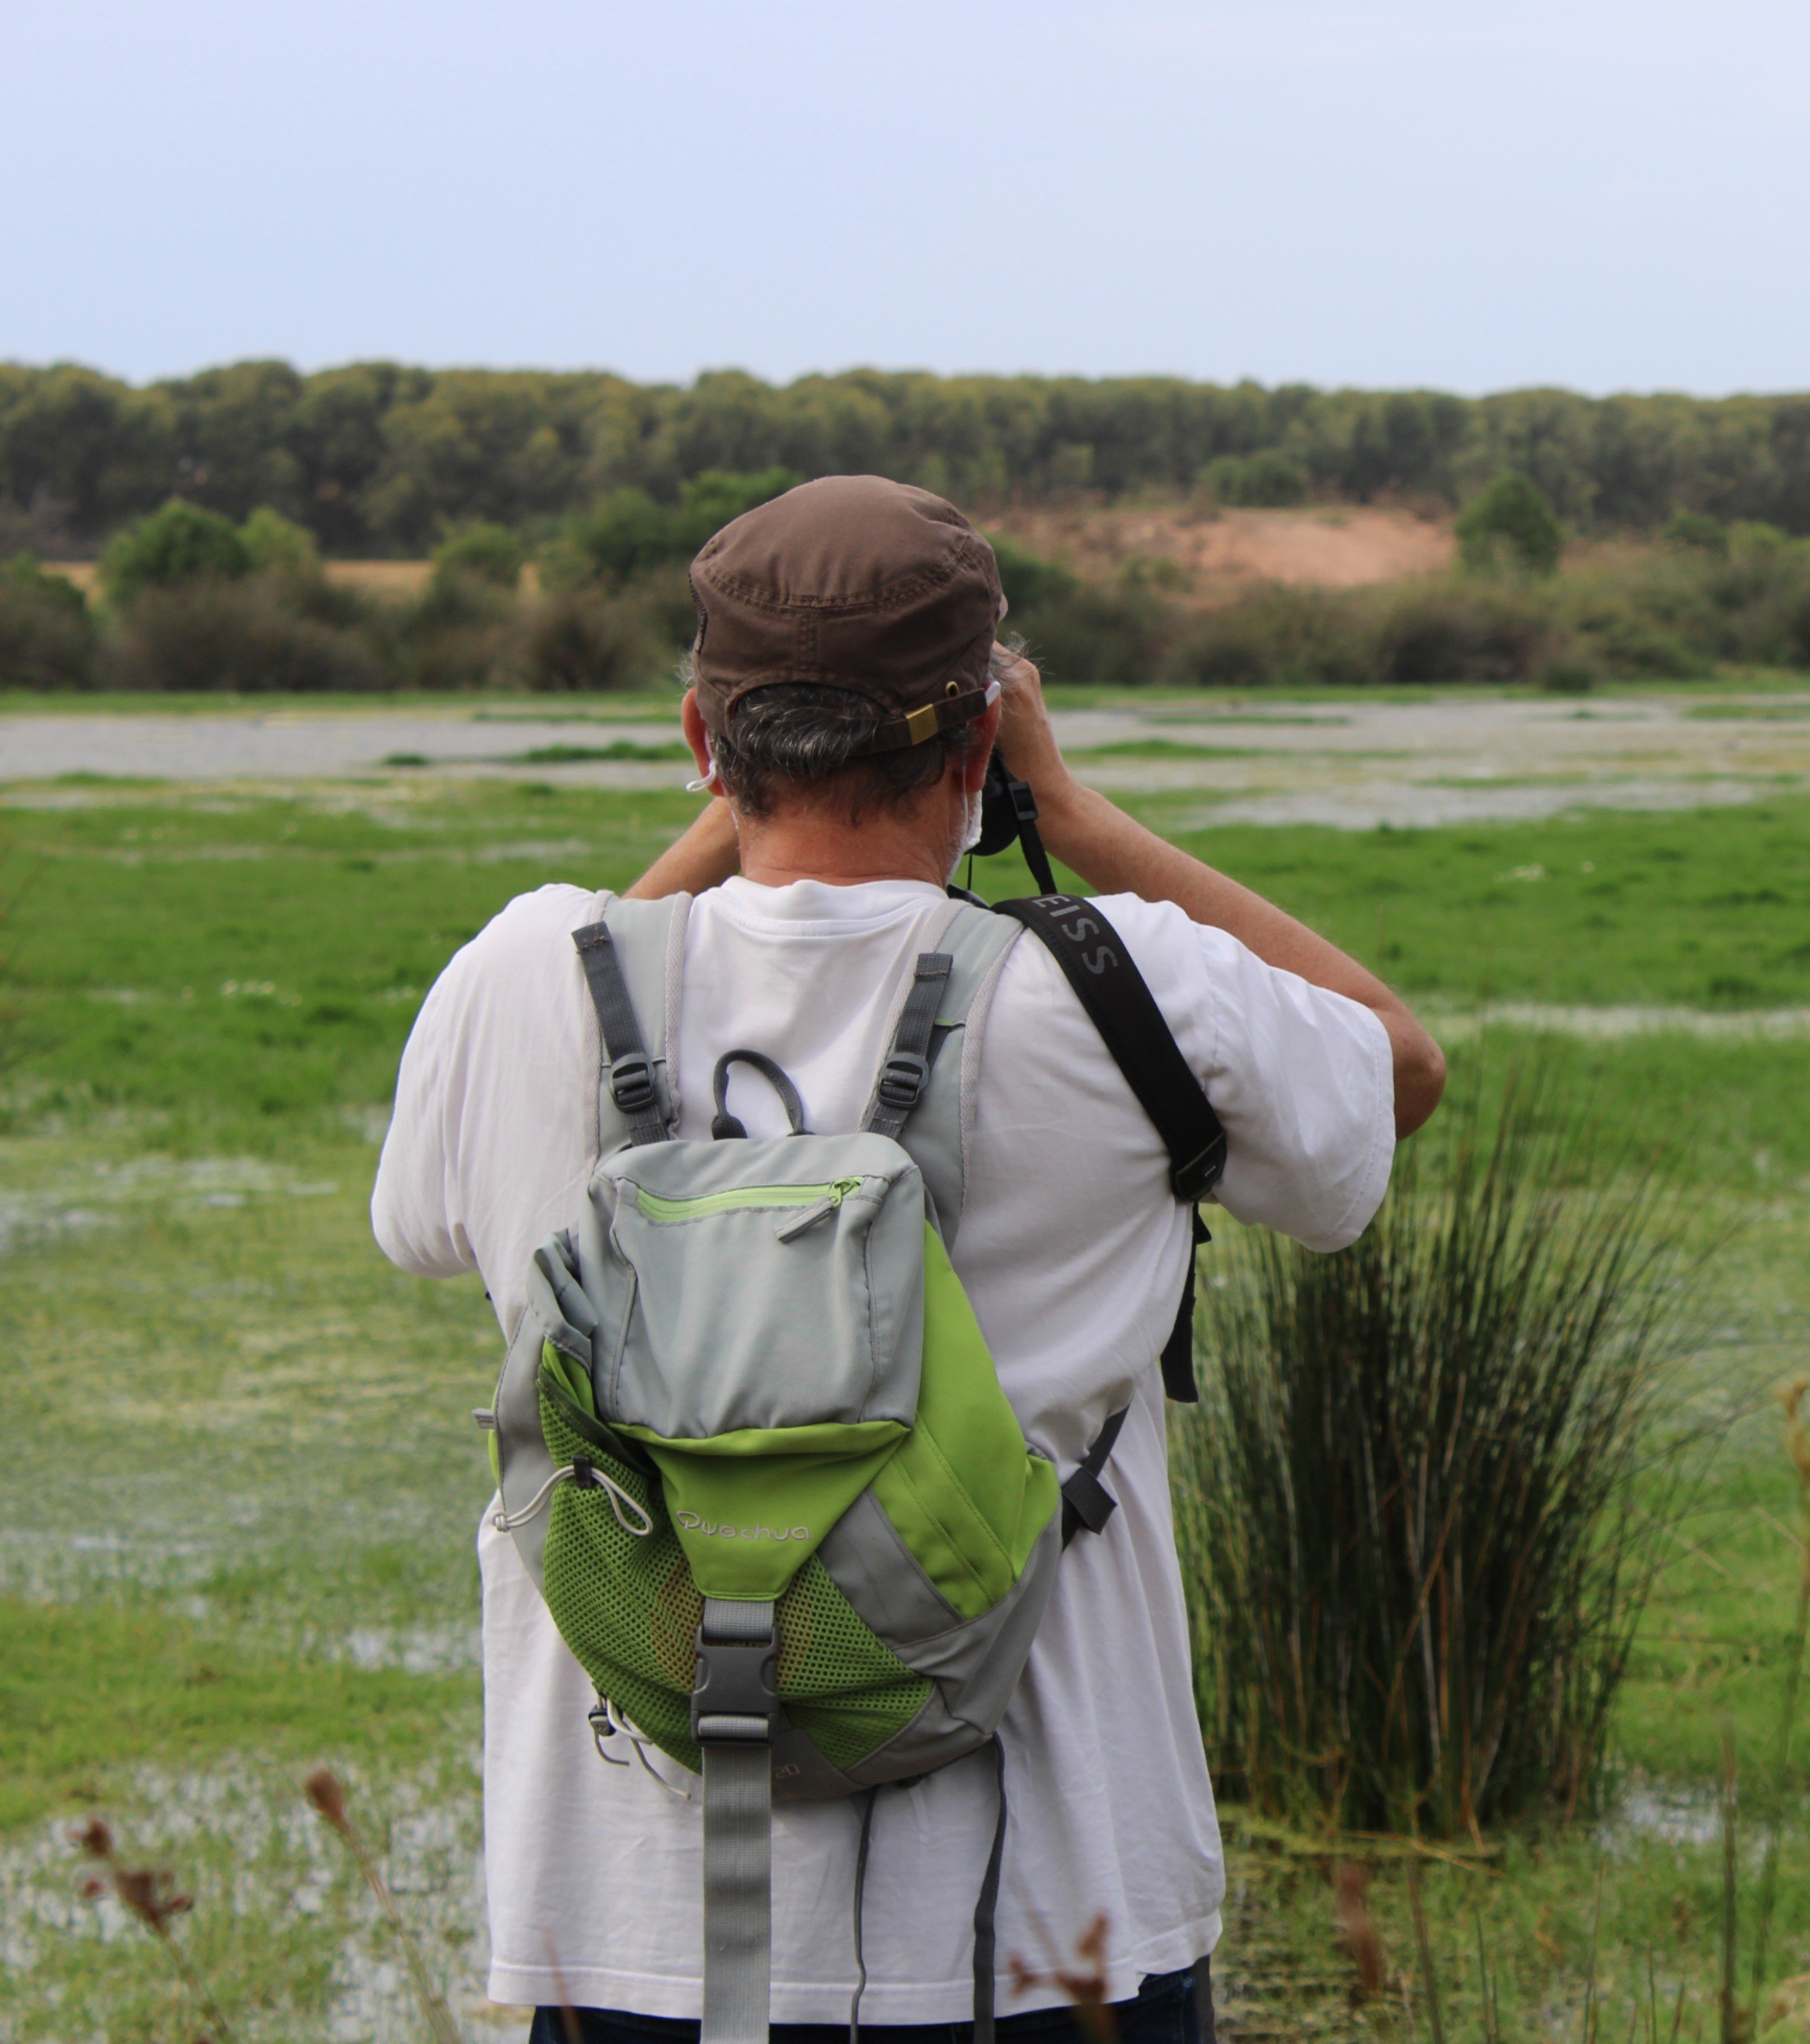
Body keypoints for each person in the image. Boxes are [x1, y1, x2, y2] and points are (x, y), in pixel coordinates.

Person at [371, 475, 1445, 2041]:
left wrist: (734, 809)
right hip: (1054, 1923)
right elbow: (1395, 1070)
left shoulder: (528, 973)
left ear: (700, 739)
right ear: (981, 745)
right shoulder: (1119, 986)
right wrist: (1071, 817)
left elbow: (424, 1221)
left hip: (635, 1933)